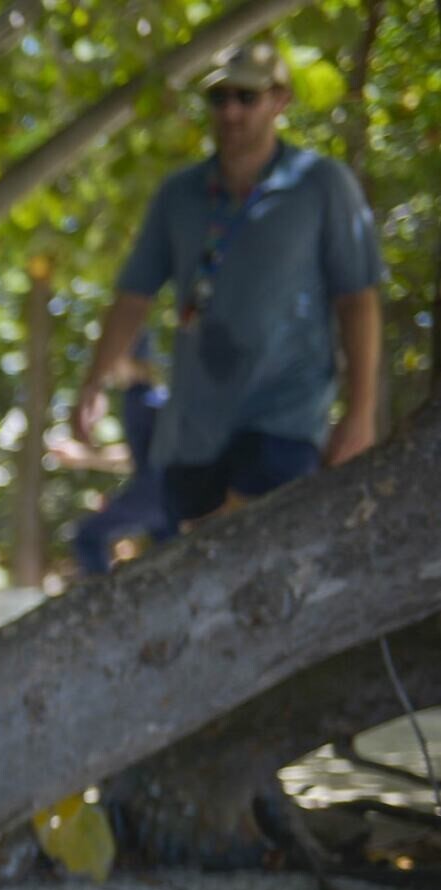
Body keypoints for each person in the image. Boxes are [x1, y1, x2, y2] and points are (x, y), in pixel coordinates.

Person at [72, 37, 384, 531]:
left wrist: (361, 412)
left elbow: (357, 299)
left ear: (280, 100)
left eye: (247, 96)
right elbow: (134, 296)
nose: (232, 111)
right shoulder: (179, 195)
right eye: (220, 98)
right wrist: (93, 382)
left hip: (285, 422)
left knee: (266, 559)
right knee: (196, 582)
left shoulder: (321, 184)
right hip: (193, 434)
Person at [65, 334, 172, 577]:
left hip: (157, 494)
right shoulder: (145, 397)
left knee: (86, 536)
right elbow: (137, 455)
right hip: (163, 497)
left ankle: (101, 602)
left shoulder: (143, 399)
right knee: (169, 552)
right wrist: (85, 457)